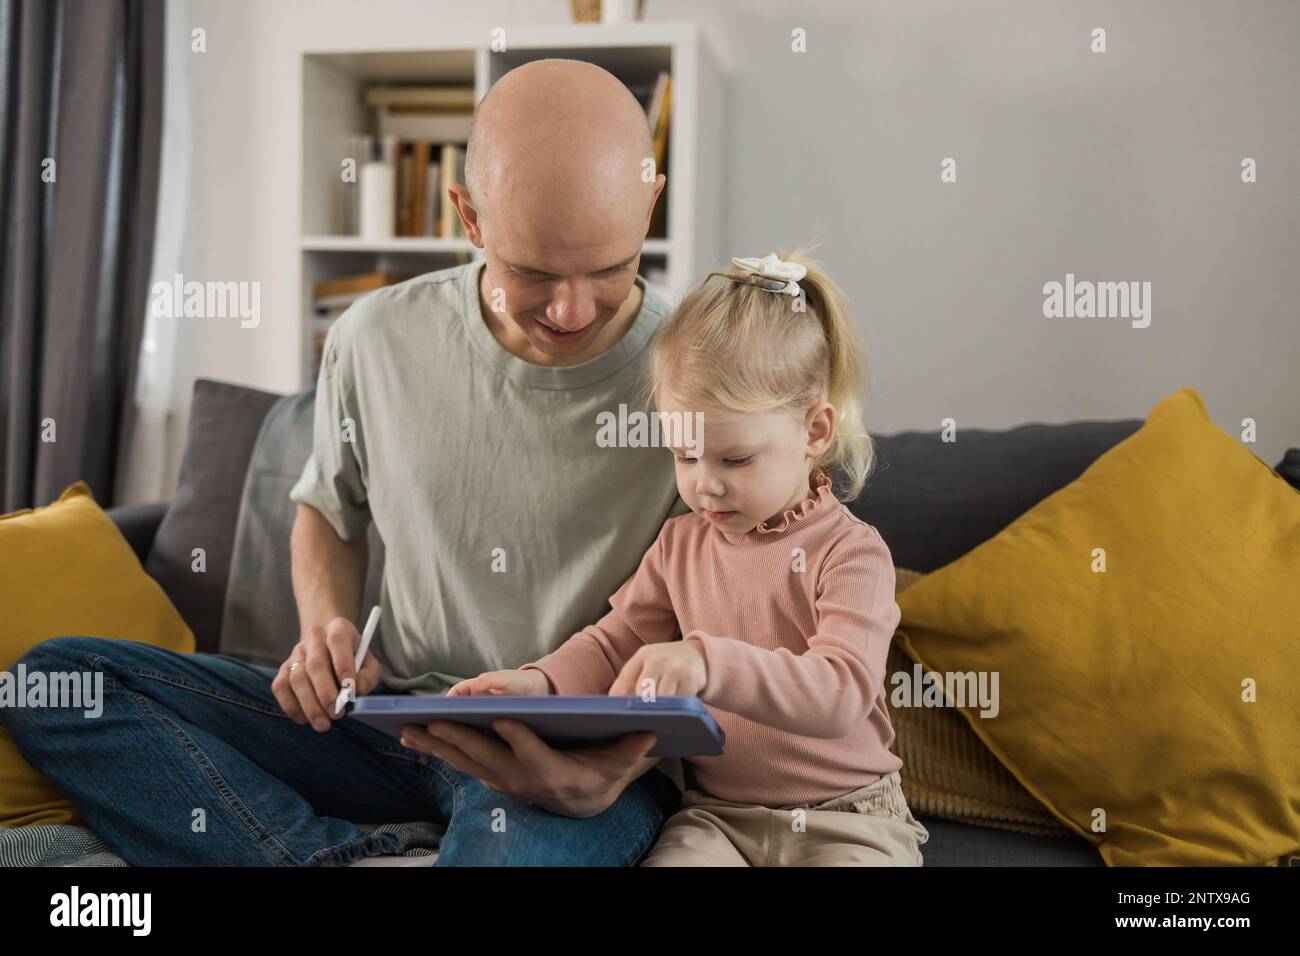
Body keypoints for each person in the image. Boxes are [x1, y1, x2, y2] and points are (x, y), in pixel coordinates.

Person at [2, 59, 687, 866]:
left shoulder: (704, 379)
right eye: (532, 274)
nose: (571, 310)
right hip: (395, 725)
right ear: (467, 216)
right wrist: (326, 626)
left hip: (575, 755)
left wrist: (621, 771)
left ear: (649, 202)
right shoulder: (374, 339)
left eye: (608, 270)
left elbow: (738, 620)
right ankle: (321, 857)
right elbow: (329, 510)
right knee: (55, 682)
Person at [439, 251, 930, 866]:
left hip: (848, 818)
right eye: (686, 455)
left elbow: (839, 693)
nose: (705, 485)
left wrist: (707, 662)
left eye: (735, 459)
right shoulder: (681, 544)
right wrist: (540, 682)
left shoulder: (851, 554)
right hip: (717, 817)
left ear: (815, 432)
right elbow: (616, 641)